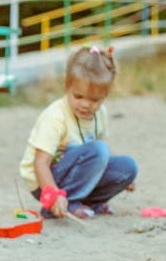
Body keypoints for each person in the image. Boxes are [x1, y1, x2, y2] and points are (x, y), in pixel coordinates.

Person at [19, 45, 137, 219]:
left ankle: (90, 203)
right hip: (45, 181)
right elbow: (40, 163)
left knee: (128, 167)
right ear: (67, 85)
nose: (86, 105)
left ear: (105, 95)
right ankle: (63, 204)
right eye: (78, 96)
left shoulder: (100, 114)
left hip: (77, 173)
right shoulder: (55, 116)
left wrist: (121, 177)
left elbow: (100, 156)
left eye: (94, 100)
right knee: (98, 149)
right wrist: (53, 196)